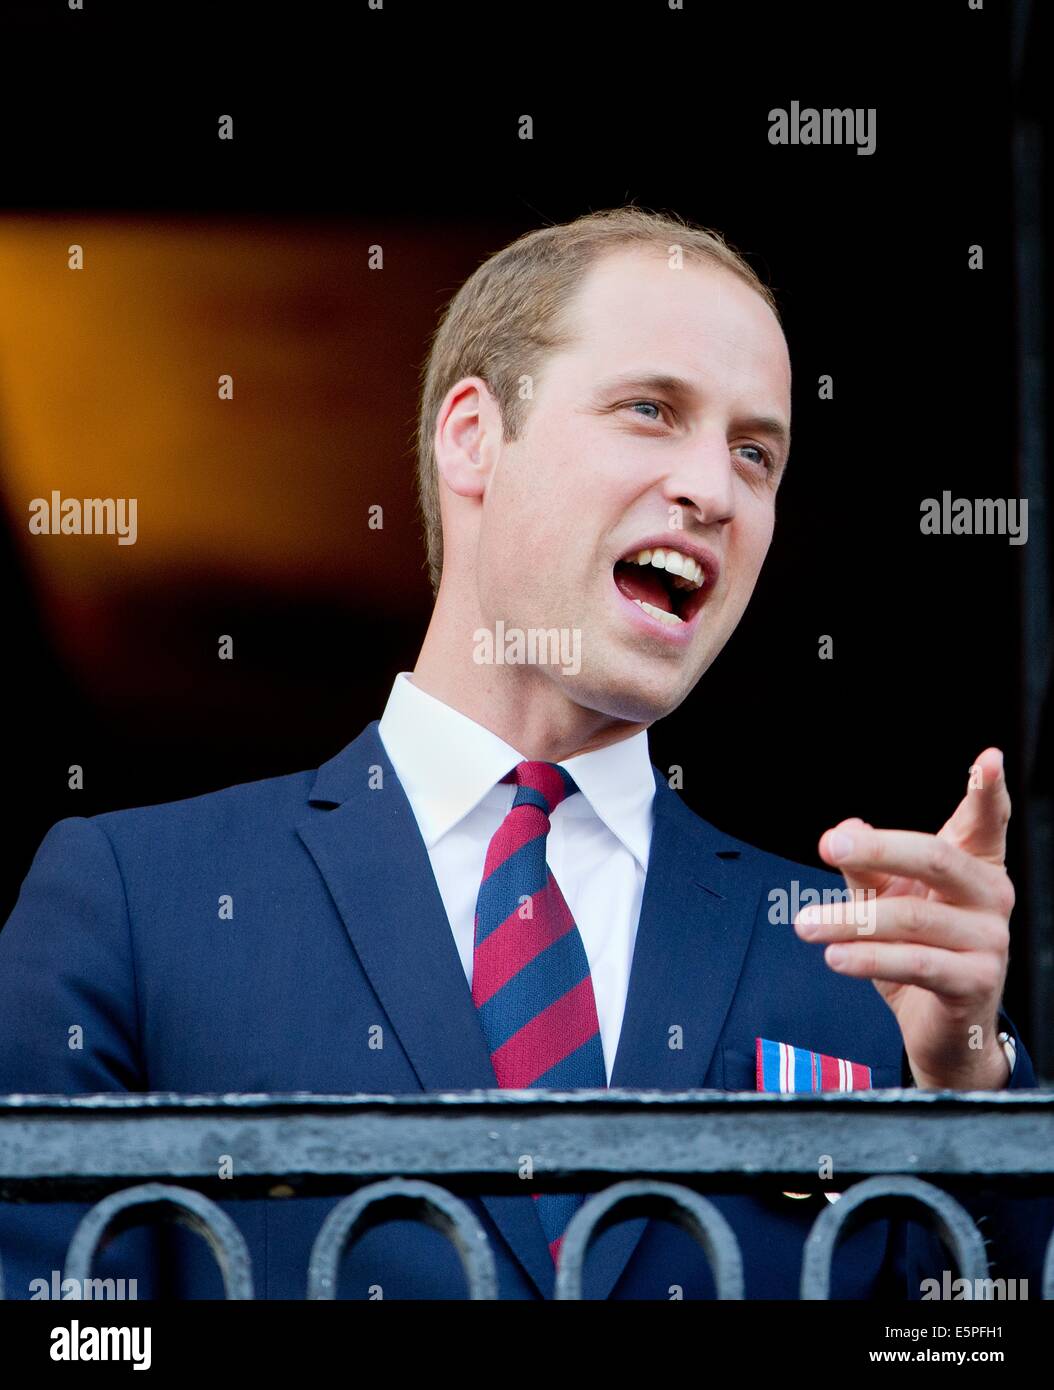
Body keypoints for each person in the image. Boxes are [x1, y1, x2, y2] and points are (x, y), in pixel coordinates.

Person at [0, 207, 1046, 1300]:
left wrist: (969, 1090)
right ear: (472, 438)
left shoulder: (856, 974)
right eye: (651, 409)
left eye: (754, 452)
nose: (713, 490)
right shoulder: (133, 904)